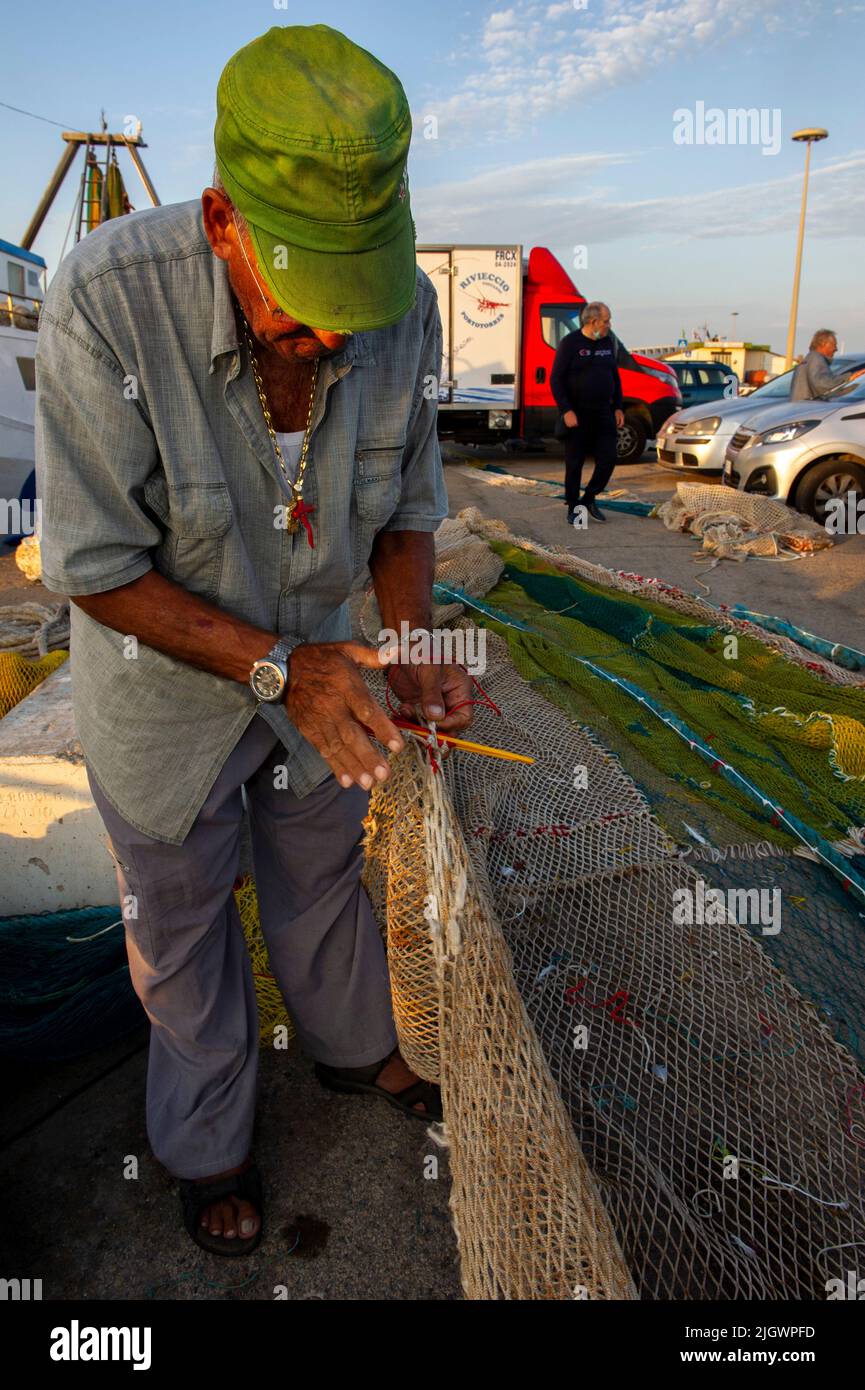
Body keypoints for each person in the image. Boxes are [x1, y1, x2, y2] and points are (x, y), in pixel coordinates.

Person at [35, 24, 474, 1258]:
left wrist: (415, 642)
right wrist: (280, 663)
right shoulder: (104, 303)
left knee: (322, 879)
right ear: (225, 220)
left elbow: (403, 510)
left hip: (327, 689)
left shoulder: (405, 312)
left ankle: (346, 1050)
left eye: (358, 299)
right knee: (179, 932)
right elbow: (93, 565)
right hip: (160, 703)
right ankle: (208, 1137)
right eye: (308, 300)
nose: (337, 336)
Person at [550, 301, 624, 524]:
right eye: (606, 320)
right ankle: (573, 507)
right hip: (577, 415)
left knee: (608, 459)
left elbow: (615, 377)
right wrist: (566, 410)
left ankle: (589, 498)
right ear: (593, 322)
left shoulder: (608, 342)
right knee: (575, 464)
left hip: (603, 413)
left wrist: (618, 406)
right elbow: (556, 379)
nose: (609, 325)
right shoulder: (570, 343)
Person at [791, 330, 864, 400]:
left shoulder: (808, 359)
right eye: (834, 345)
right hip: (811, 409)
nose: (836, 349)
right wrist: (850, 378)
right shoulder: (817, 360)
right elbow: (824, 385)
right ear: (823, 344)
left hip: (802, 408)